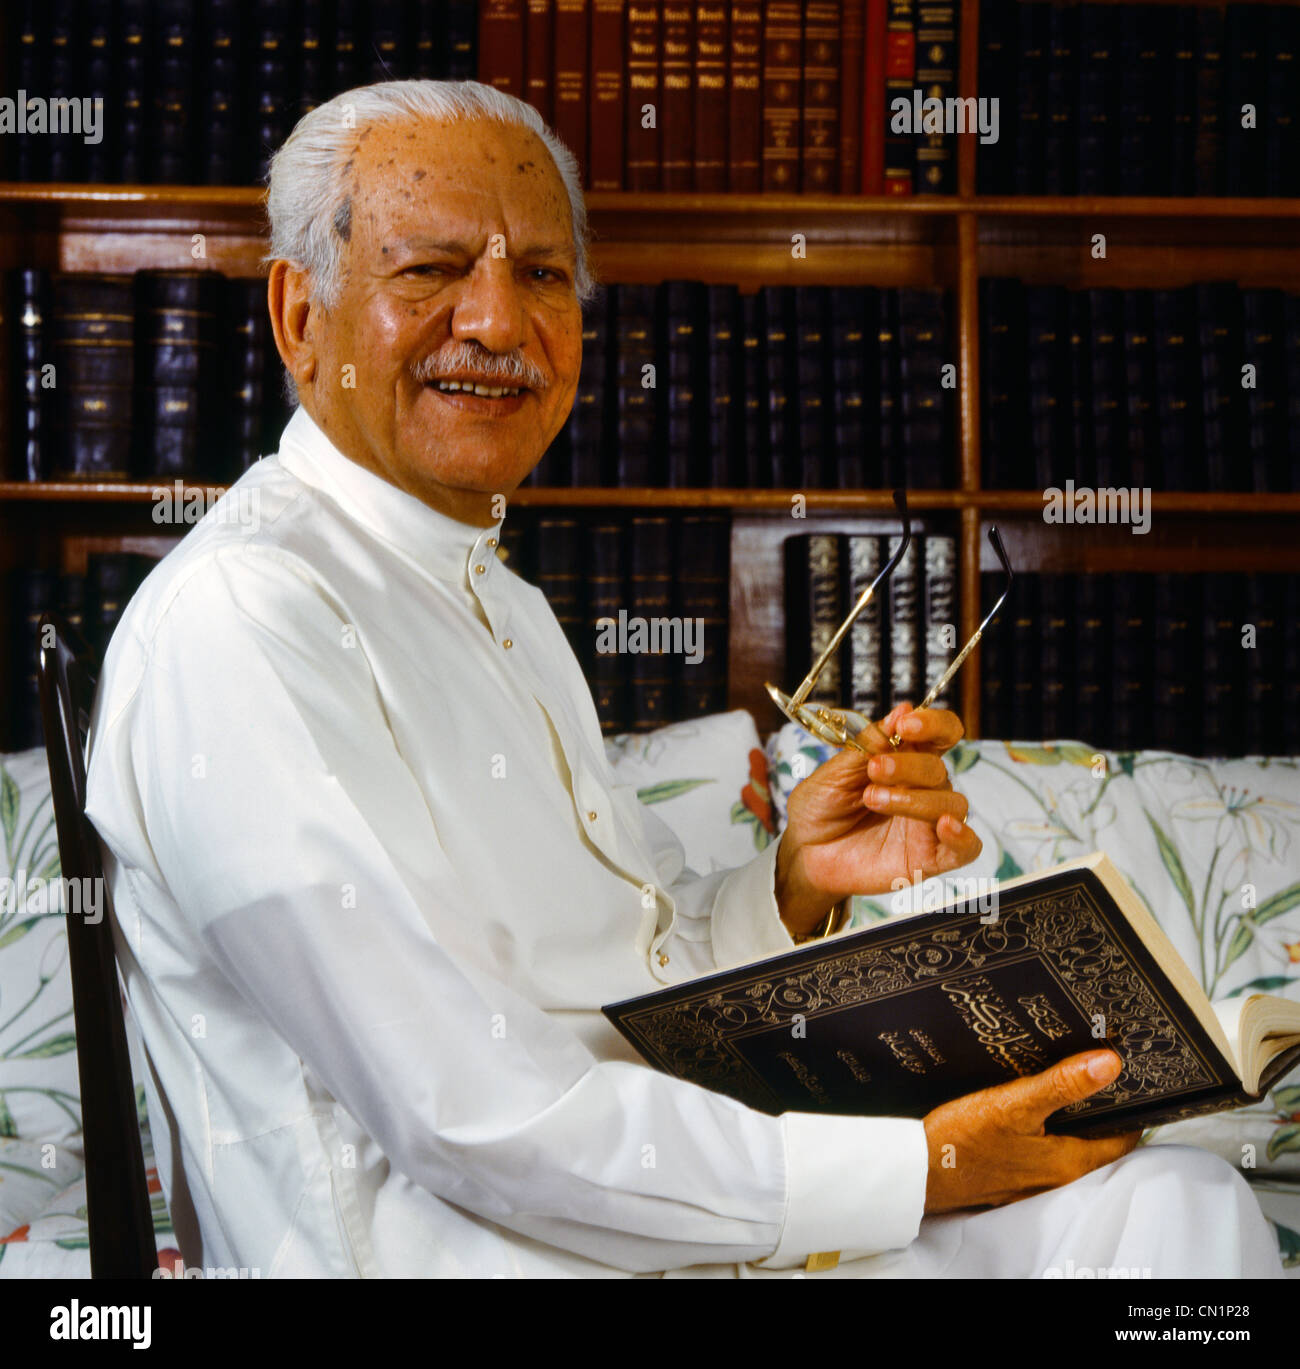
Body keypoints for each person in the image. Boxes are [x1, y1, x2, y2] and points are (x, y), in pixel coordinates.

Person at [85, 80, 1282, 1279]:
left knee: (1174, 1203)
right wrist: (929, 1165)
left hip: (657, 1212)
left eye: (543, 275)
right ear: (303, 315)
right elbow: (468, 1113)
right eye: (430, 269)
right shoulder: (245, 618)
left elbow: (626, 975)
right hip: (484, 1254)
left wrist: (791, 881)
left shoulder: (492, 596)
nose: (497, 322)